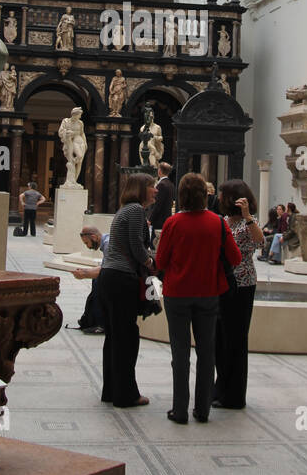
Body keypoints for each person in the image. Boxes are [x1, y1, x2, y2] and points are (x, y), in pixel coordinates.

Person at [156, 171, 241, 424]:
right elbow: (235, 258)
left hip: (177, 294)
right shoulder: (218, 222)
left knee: (179, 354)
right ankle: (202, 410)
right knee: (207, 353)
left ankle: (179, 410)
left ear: (181, 195)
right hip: (208, 294)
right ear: (205, 195)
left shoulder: (173, 223)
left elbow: (160, 261)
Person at [99, 174, 156, 408]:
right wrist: (151, 261)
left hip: (111, 276)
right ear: (141, 189)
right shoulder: (135, 210)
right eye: (152, 187)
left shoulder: (127, 209)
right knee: (126, 338)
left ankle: (112, 390)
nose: (156, 190)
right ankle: (126, 394)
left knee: (115, 336)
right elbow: (136, 245)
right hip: (122, 278)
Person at [213, 181, 264, 410]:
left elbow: (259, 240)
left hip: (243, 283)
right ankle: (220, 387)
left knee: (236, 338)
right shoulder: (223, 221)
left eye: (222, 195)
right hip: (223, 282)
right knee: (221, 338)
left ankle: (234, 395)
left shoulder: (248, 222)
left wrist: (248, 216)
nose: (219, 199)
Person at [72, 226, 110, 333]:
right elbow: (105, 266)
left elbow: (107, 269)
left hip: (121, 277)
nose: (88, 246)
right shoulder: (106, 241)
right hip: (115, 273)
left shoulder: (108, 244)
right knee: (96, 281)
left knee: (98, 283)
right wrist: (86, 271)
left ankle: (100, 323)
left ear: (94, 237)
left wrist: (85, 274)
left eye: (87, 243)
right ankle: (92, 318)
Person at [148, 161, 175, 232]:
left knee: (155, 242)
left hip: (159, 220)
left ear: (159, 171)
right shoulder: (170, 184)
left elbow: (157, 204)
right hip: (166, 218)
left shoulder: (162, 185)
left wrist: (150, 219)